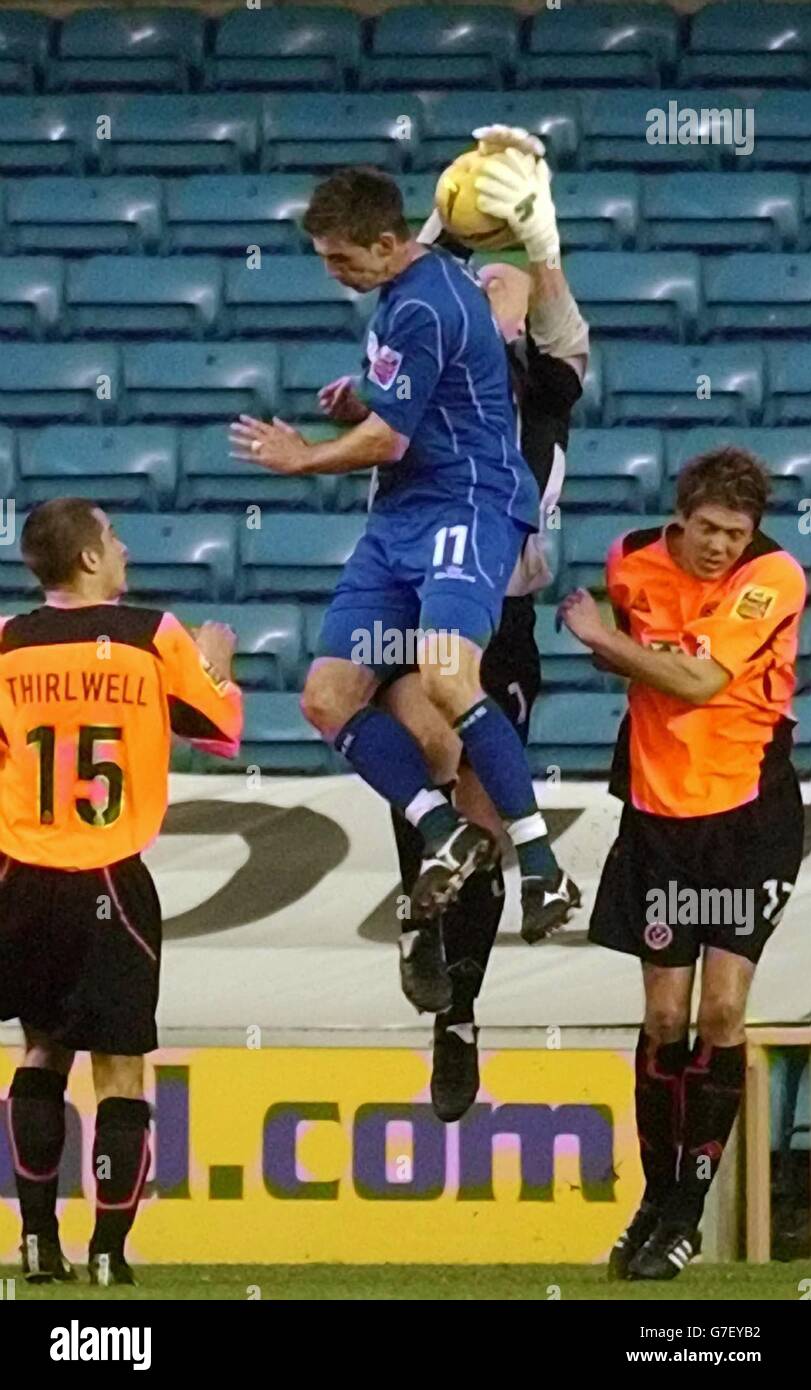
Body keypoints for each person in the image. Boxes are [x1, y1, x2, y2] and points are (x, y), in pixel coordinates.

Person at [230, 159, 579, 1014]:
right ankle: (443, 829)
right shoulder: (405, 288)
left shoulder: (428, 304)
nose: (333, 273)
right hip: (399, 520)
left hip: (466, 505)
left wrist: (302, 457)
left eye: (342, 259)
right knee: (325, 698)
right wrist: (360, 400)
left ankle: (541, 865)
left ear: (387, 246)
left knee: (448, 678)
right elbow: (399, 408)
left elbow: (390, 439)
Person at [363, 126, 590, 1121]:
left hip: (503, 613)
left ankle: (458, 1014)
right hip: (415, 594)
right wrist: (444, 209)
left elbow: (558, 309)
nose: (488, 294)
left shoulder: (550, 386)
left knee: (485, 822)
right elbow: (399, 280)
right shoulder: (422, 365)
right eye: (477, 284)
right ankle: (420, 924)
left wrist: (535, 224)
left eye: (506, 293)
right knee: (426, 757)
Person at [558, 448, 806, 1280]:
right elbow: (630, 640)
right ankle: (654, 1201)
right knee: (664, 1017)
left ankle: (685, 1217)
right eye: (707, 529)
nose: (719, 547)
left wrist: (599, 637)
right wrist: (609, 636)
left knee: (721, 1010)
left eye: (735, 533)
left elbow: (697, 681)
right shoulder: (630, 559)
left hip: (748, 816)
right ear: (680, 515)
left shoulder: (772, 577)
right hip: (659, 817)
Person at [0, 499, 242, 1286]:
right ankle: (108, 1253)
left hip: (24, 874)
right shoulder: (150, 635)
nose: (125, 548)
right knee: (122, 1069)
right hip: (109, 873)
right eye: (112, 538)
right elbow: (218, 730)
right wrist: (217, 664)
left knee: (42, 1050)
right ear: (88, 559)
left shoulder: (6, 643)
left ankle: (37, 1243)